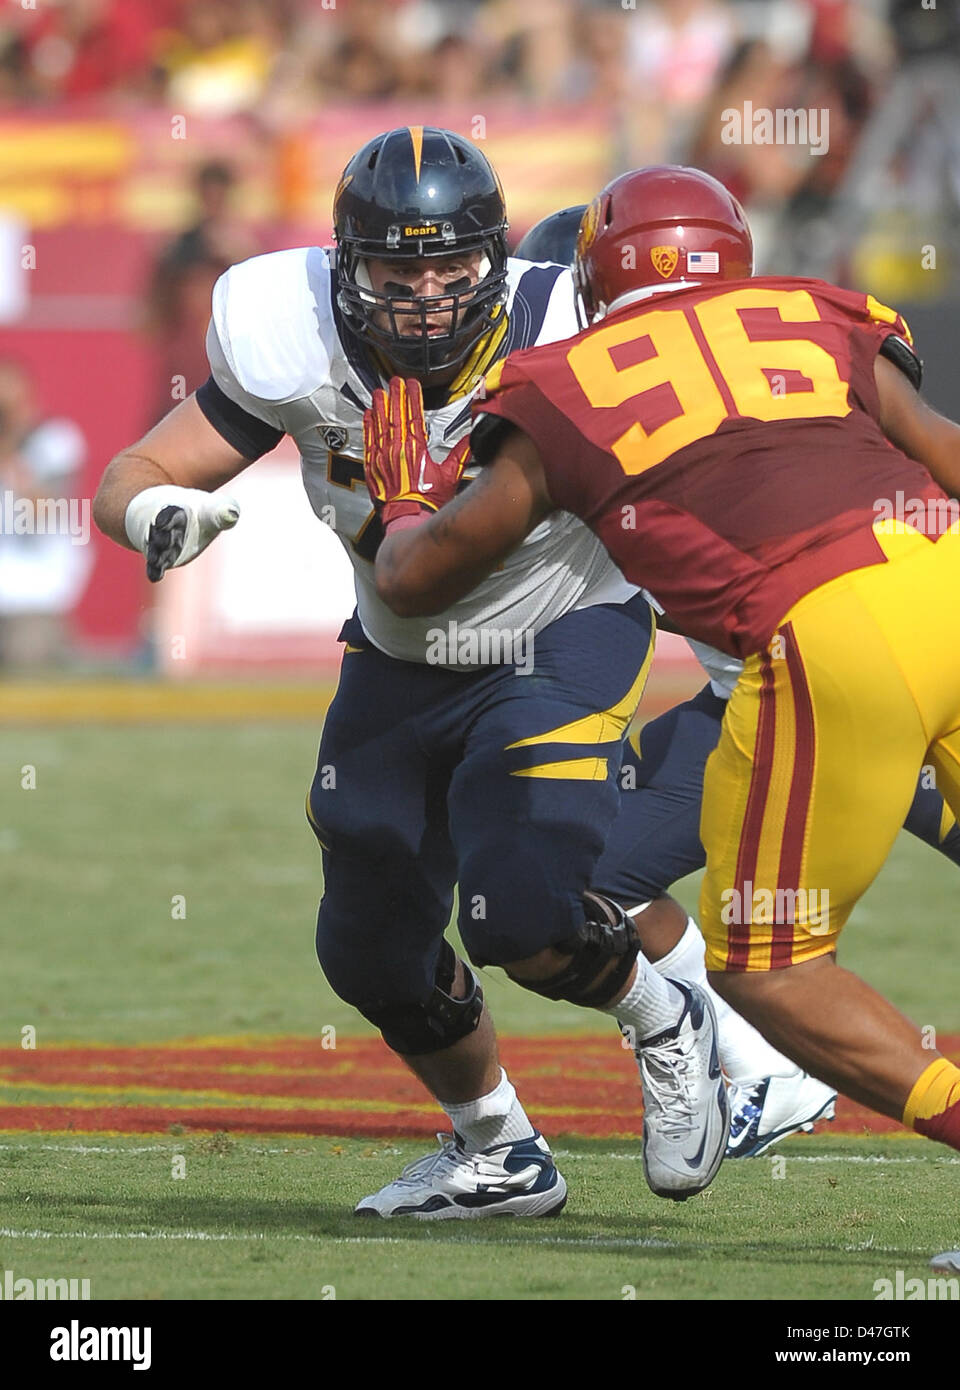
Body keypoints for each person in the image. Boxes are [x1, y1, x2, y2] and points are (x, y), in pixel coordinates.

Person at [95, 129, 735, 1218]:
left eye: (452, 270)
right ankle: (499, 1152)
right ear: (348, 266)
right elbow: (137, 470)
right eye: (399, 271)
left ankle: (662, 1013)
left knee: (517, 908)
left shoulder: (569, 325)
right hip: (400, 654)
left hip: (558, 630)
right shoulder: (288, 334)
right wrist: (158, 513)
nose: (428, 297)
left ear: (495, 263)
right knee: (367, 944)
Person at [364, 164, 960, 1155]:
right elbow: (945, 450)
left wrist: (401, 503)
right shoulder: (815, 311)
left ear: (593, 276)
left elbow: (420, 577)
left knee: (770, 965)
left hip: (829, 628)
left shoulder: (560, 381)